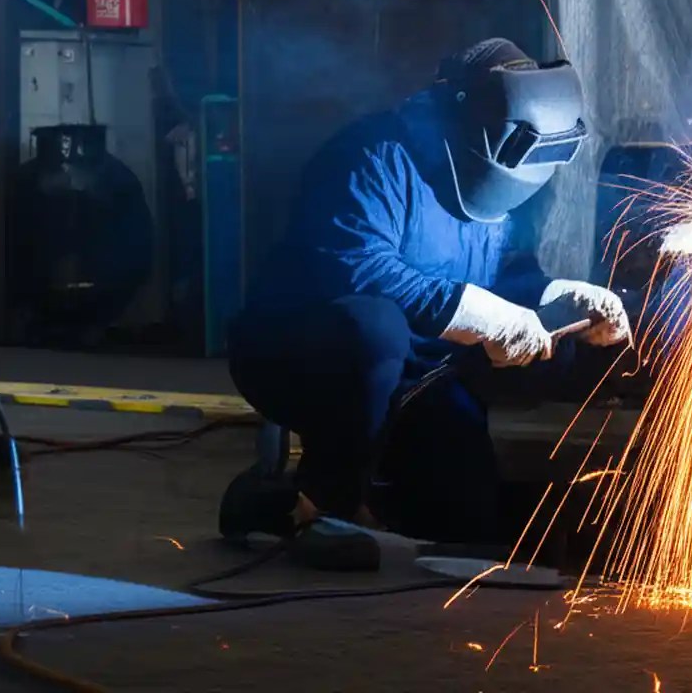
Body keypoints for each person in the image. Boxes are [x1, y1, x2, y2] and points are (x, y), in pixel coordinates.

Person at [220, 39, 630, 548]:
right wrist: (479, 315)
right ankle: (319, 502)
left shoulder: (513, 170)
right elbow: (357, 267)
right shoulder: (373, 157)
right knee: (374, 329)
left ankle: (344, 500)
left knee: (464, 523)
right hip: (301, 352)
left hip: (423, 373)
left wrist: (556, 294)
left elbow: (506, 272)